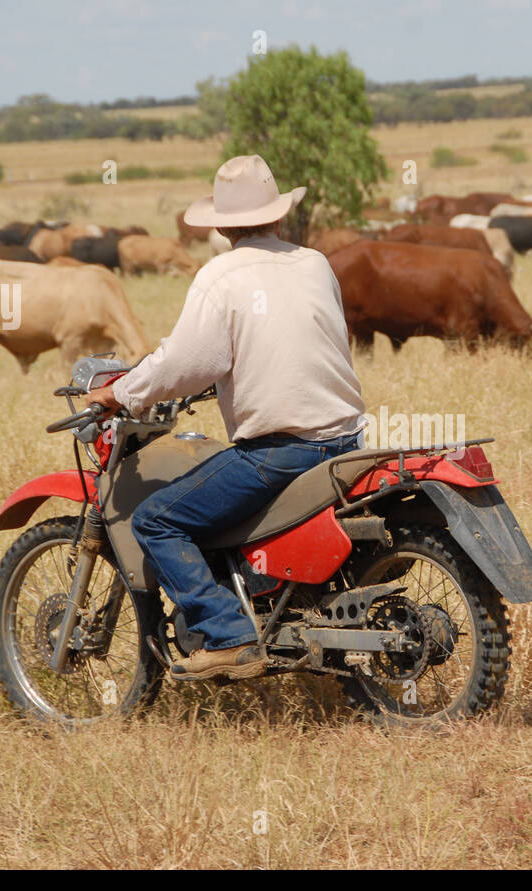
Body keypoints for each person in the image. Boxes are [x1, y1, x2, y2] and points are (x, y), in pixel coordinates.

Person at [84, 154, 365, 681]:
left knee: (158, 520)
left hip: (280, 454)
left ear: (218, 225)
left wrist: (122, 393)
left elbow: (184, 362)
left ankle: (230, 636)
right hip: (347, 441)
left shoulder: (221, 275)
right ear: (279, 215)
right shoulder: (314, 262)